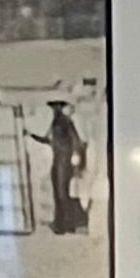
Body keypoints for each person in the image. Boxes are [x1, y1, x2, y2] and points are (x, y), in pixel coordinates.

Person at [30, 97, 91, 234]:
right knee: (58, 194)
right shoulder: (56, 123)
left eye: (56, 106)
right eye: (53, 107)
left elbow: (76, 142)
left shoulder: (64, 123)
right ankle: (61, 223)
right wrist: (33, 136)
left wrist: (76, 162)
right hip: (58, 161)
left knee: (62, 194)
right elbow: (50, 141)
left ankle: (66, 224)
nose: (54, 109)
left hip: (64, 162)